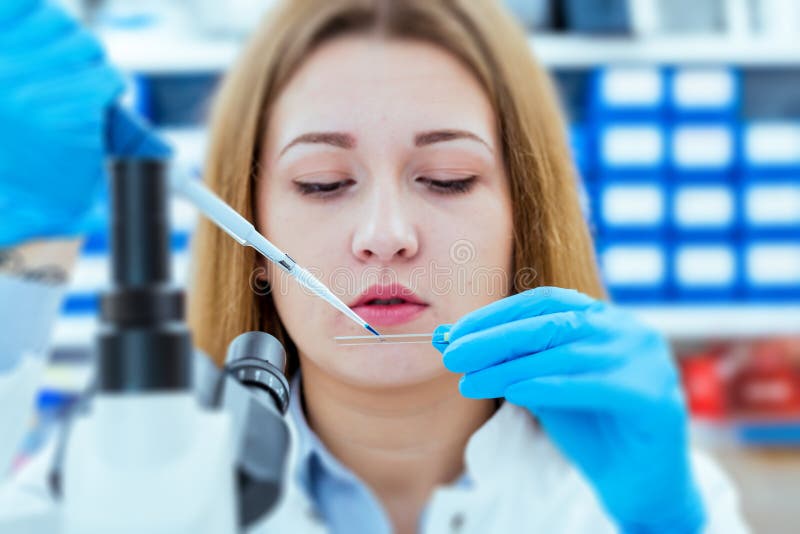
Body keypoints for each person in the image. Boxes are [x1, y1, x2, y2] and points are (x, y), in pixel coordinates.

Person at [0, 0, 748, 533]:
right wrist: (20, 270)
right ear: (255, 240)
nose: (384, 235)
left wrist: (668, 527)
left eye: (448, 177)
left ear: (522, 221)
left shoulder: (627, 493)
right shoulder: (118, 481)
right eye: (322, 183)